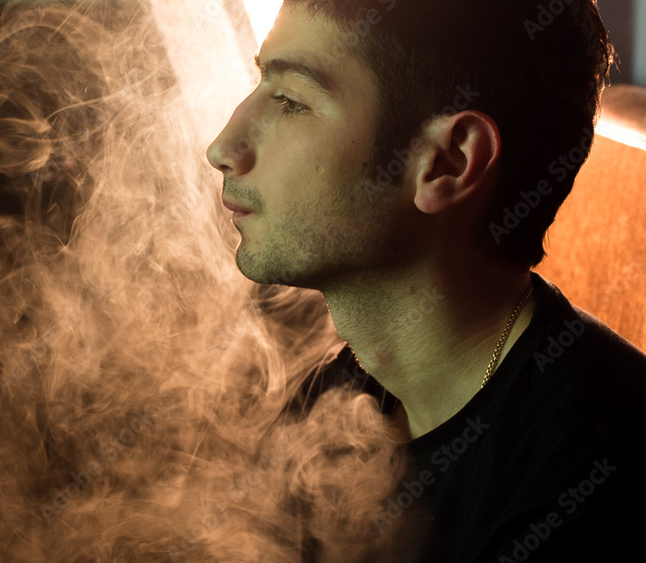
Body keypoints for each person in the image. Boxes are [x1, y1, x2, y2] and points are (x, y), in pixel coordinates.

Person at [205, 0, 646, 561]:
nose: (223, 148)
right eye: (261, 83)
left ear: (447, 162)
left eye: (291, 101)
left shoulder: (596, 480)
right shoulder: (328, 399)